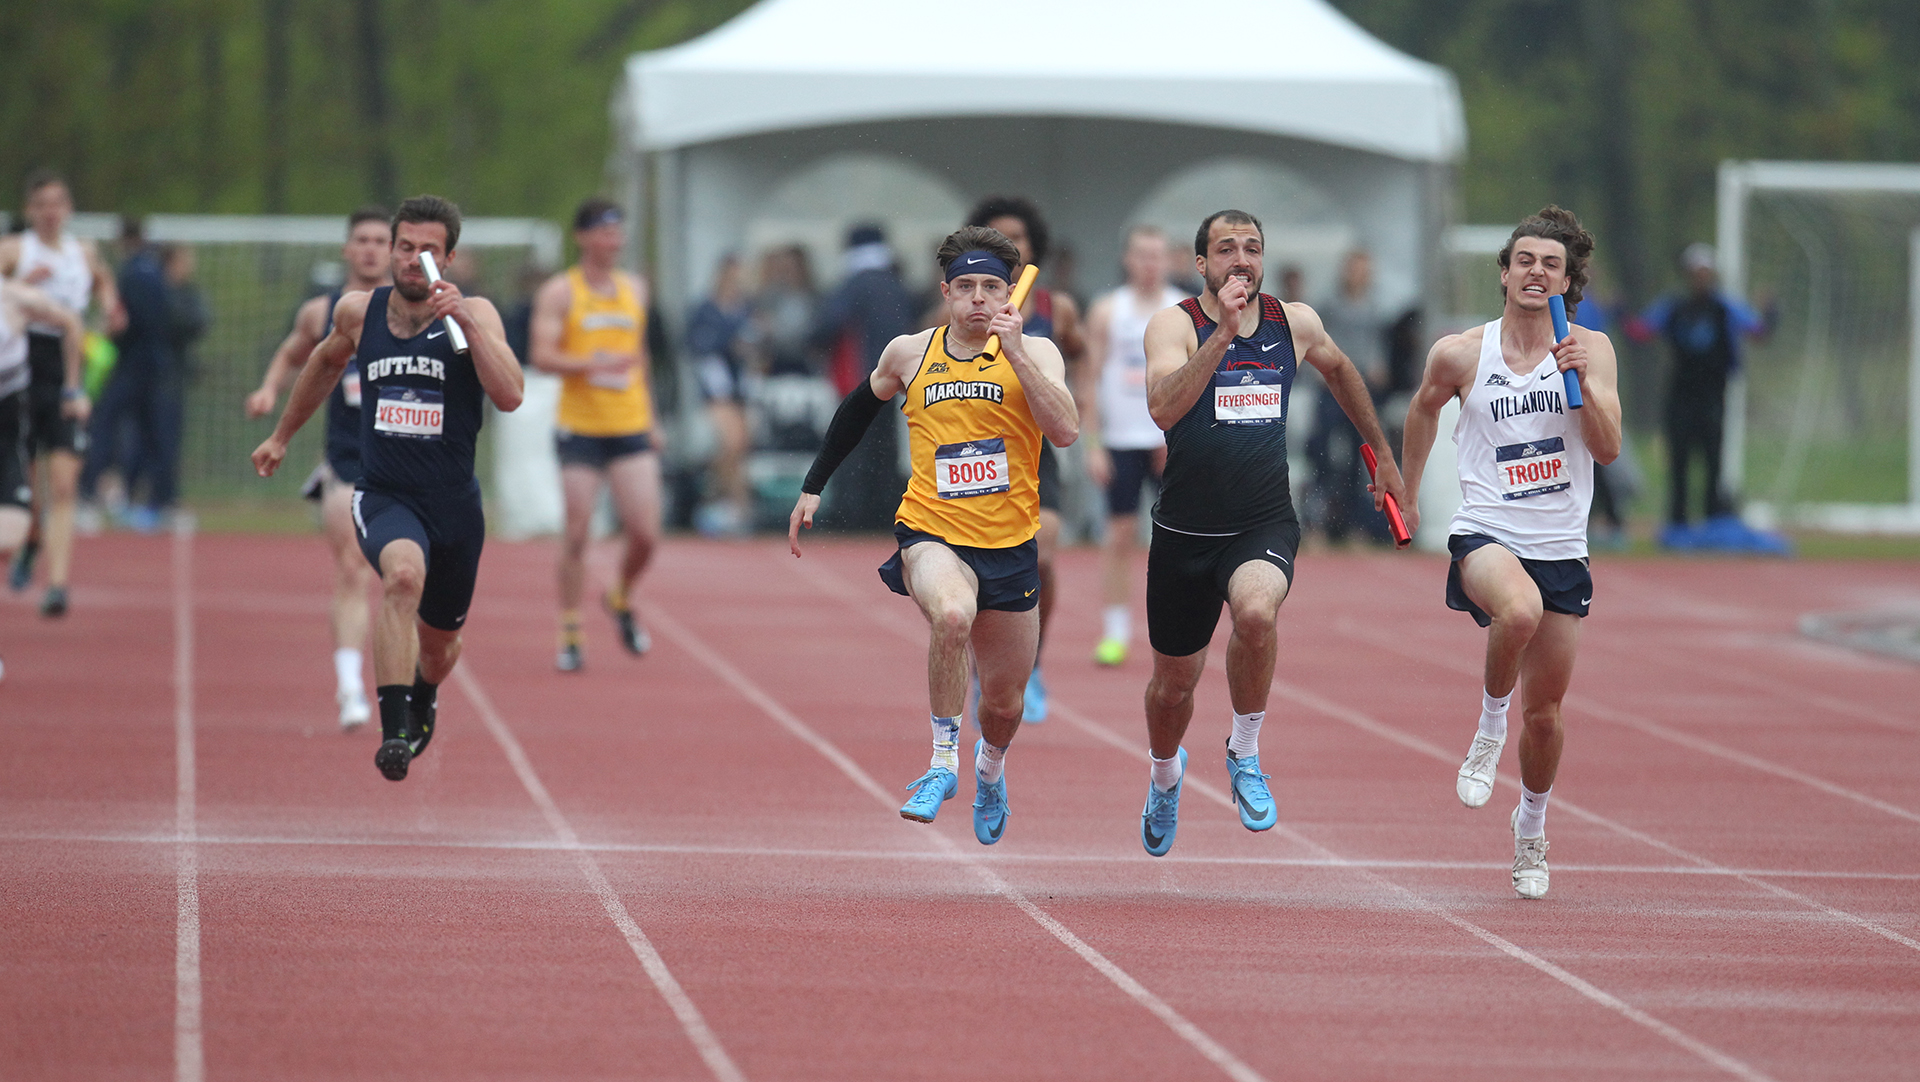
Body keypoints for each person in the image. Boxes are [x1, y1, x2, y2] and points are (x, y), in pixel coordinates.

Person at [788, 225, 1078, 845]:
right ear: (946, 292)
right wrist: (815, 485)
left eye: (992, 288)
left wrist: (1020, 355)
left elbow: (1066, 432)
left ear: (1009, 297)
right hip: (930, 529)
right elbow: (857, 408)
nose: (978, 298)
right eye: (966, 286)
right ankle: (942, 763)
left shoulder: (1039, 354)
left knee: (1003, 706)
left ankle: (989, 768)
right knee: (951, 616)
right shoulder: (910, 352)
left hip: (1009, 545)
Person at [1137, 210, 1407, 857]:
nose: (1241, 259)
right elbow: (1162, 407)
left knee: (1257, 614)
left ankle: (1245, 751)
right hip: (1183, 530)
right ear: (1201, 264)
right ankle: (1165, 775)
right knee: (1173, 688)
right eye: (1225, 249)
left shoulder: (1295, 323)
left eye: (1252, 248)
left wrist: (1382, 454)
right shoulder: (1175, 324)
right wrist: (1223, 336)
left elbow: (1341, 371)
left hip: (1261, 520)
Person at [252, 194, 524, 782]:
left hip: (453, 505)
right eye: (405, 247)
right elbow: (323, 366)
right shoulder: (358, 312)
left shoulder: (473, 314)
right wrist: (281, 436)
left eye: (427, 251)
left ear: (447, 259)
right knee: (401, 577)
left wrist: (469, 324)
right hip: (382, 493)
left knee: (441, 647)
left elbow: (510, 395)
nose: (411, 259)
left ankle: (424, 689)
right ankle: (394, 730)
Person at [1398, 206, 1623, 899]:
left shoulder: (1591, 349)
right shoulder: (1463, 352)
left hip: (1561, 545)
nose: (1536, 272)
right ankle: (1488, 728)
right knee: (1516, 613)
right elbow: (1421, 410)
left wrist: (1579, 382)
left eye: (1550, 264)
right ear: (1503, 273)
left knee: (1547, 717)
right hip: (1487, 531)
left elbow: (1608, 448)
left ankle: (1531, 830)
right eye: (1524, 260)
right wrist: (1406, 497)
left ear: (1567, 281)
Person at [245, 208, 392, 730]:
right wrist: (269, 389)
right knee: (353, 569)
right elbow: (291, 354)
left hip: (408, 466)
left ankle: (408, 687)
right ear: (348, 249)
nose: (372, 249)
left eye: (382, 240)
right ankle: (351, 687)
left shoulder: (410, 311)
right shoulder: (323, 311)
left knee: (407, 582)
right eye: (363, 241)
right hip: (347, 462)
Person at [528, 198, 660, 671]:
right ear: (582, 237)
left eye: (618, 233)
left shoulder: (635, 290)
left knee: (645, 534)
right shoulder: (561, 292)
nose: (614, 241)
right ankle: (570, 629)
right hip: (580, 427)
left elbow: (639, 356)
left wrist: (653, 420)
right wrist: (590, 363)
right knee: (579, 530)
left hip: (628, 423)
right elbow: (541, 355)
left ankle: (620, 596)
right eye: (604, 232)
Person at [966, 196, 1084, 722]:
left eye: (1020, 238)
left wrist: (1092, 424)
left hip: (1036, 450)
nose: (1010, 247)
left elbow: (1082, 356)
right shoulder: (964, 302)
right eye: (997, 237)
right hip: (977, 449)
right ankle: (982, 670)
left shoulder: (1055, 308)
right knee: (974, 566)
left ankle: (1031, 663)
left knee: (1042, 555)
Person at [2, 170, 123, 615]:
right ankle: (31, 538)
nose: (50, 212)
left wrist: (110, 307)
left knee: (65, 483)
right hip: (20, 367)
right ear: (30, 211)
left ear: (68, 209)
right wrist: (19, 290)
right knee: (29, 482)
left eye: (58, 203)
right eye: (41, 204)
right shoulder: (15, 251)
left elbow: (104, 281)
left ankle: (57, 585)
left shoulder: (82, 252)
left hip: (67, 367)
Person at [1081, 225, 1188, 666]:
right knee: (1119, 536)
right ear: (1128, 259)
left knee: (1179, 539)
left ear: (1169, 260)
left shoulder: (1183, 309)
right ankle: (1116, 631)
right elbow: (1088, 379)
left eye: (1157, 255)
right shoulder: (1109, 311)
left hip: (1169, 440)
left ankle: (1178, 628)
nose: (1149, 264)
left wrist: (1179, 435)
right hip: (1121, 439)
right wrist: (1092, 444)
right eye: (1142, 255)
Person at [1628, 242, 1771, 548]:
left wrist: (1770, 313)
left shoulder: (1725, 308)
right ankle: (1678, 524)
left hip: (1712, 398)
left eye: (1705, 272)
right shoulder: (1673, 307)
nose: (1700, 278)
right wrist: (1618, 311)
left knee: (1713, 462)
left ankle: (1712, 524)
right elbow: (1640, 332)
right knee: (1678, 462)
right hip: (1679, 396)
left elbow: (1758, 332)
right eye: (1695, 272)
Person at [0, 276, 87, 677]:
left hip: (23, 413)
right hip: (21, 409)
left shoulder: (16, 296)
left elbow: (72, 320)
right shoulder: (19, 249)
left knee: (10, 534)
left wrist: (74, 387)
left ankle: (54, 579)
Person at [809, 224, 917, 530]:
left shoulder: (853, 285)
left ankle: (852, 516)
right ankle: (885, 513)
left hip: (858, 378)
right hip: (896, 378)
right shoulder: (897, 285)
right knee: (886, 449)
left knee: (852, 445)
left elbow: (825, 327)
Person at [1305, 250, 1392, 545]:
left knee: (1363, 458)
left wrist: (1378, 365)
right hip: (1332, 386)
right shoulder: (1330, 304)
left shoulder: (1374, 306)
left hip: (1363, 387)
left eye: (1364, 270)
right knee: (1322, 455)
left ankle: (1359, 527)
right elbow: (1317, 338)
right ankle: (1315, 524)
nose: (1359, 275)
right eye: (1355, 269)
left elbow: (1376, 343)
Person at [687, 254, 753, 536]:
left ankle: (718, 498)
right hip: (716, 385)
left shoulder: (747, 309)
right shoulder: (706, 309)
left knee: (738, 447)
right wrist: (729, 344)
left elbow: (759, 343)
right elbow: (695, 344)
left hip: (742, 385)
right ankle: (740, 505)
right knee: (733, 442)